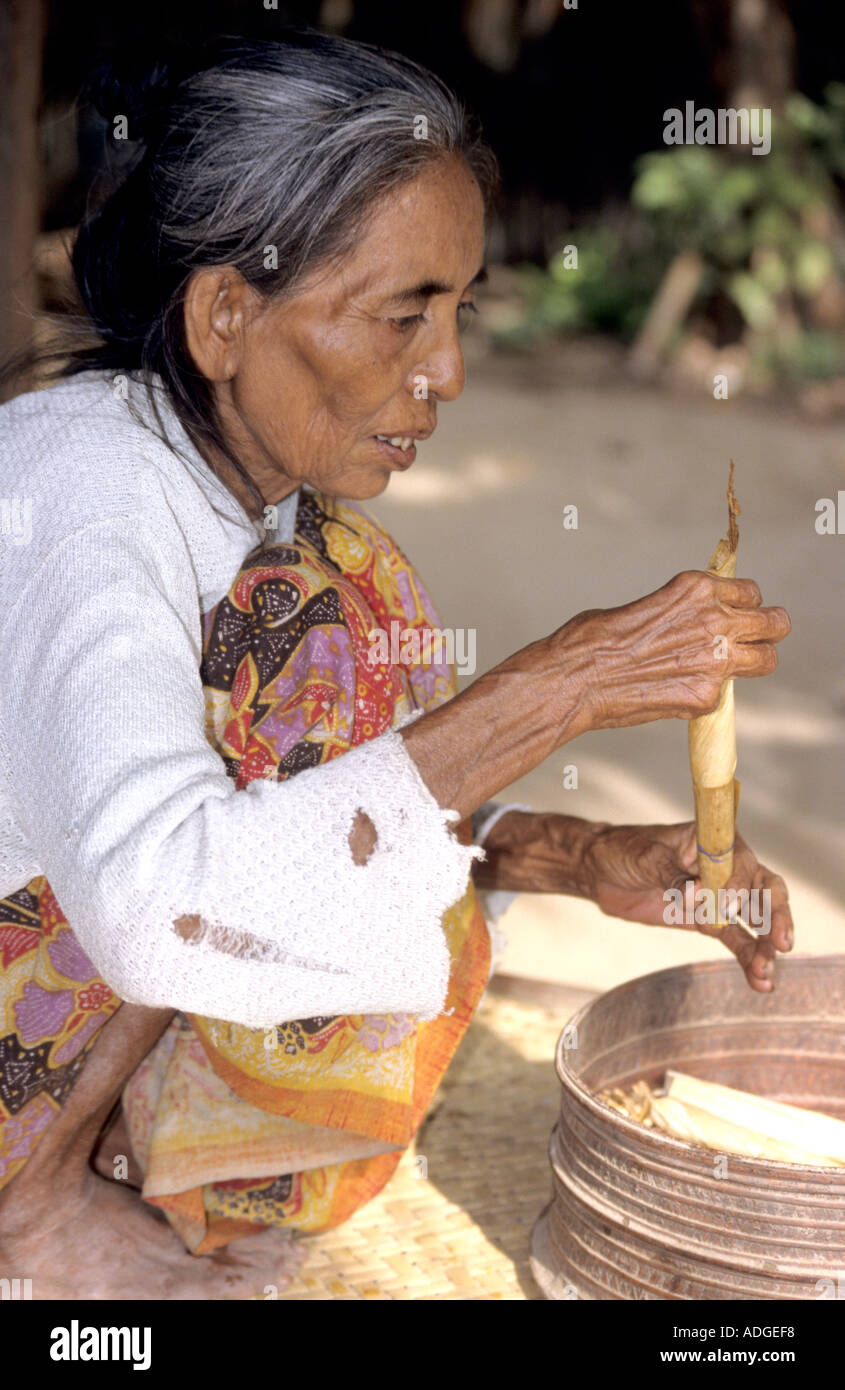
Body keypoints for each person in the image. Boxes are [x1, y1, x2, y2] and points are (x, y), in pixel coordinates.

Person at [0, 32, 792, 1300]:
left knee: (331, 601)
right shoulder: (82, 509)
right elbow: (163, 906)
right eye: (399, 313)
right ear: (223, 315)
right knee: (311, 629)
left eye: (457, 307)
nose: (447, 374)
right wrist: (559, 684)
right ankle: (30, 1209)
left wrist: (584, 857)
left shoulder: (244, 497)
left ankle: (87, 1156)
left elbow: (331, 806)